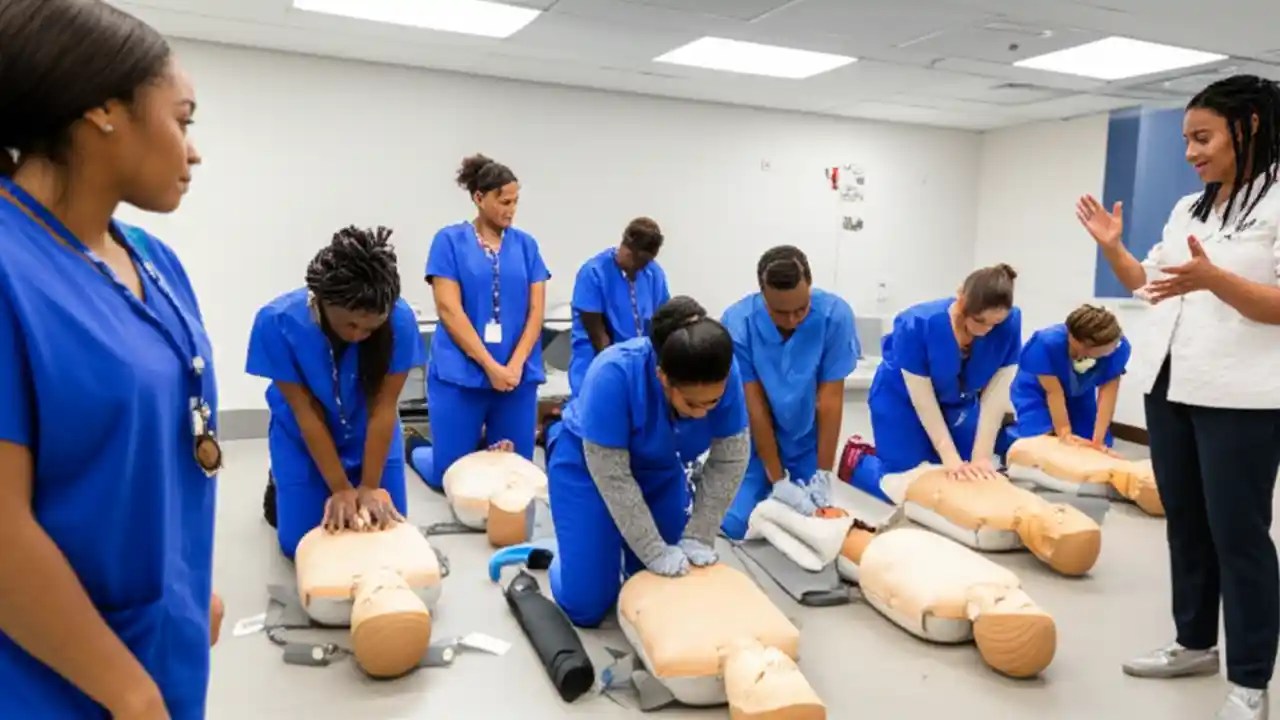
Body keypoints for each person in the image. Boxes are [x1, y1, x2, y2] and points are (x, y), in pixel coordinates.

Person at [0, 2, 221, 717]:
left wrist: (190, 585)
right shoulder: (10, 267)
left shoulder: (156, 262)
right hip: (59, 672)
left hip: (159, 639)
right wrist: (124, 689)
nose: (193, 151)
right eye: (182, 120)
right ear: (102, 109)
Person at [1081, 74, 1280, 720]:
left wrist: (1215, 278)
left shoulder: (1277, 202)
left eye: (1202, 137)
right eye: (1186, 140)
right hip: (1169, 383)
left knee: (1238, 536)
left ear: (1247, 128)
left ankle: (1251, 681)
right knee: (1186, 528)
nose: (1190, 152)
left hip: (1241, 397)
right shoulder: (1189, 209)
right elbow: (1152, 285)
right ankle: (1195, 641)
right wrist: (1115, 252)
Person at [546, 296, 750, 627]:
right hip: (587, 470)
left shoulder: (722, 369)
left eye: (712, 402)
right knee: (588, 604)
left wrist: (700, 533)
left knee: (665, 586)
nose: (703, 412)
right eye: (692, 404)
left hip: (659, 472)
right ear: (663, 378)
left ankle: (601, 548)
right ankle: (568, 555)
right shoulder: (612, 374)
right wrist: (652, 549)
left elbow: (731, 458)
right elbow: (613, 477)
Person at [247, 226, 425, 559]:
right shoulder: (277, 322)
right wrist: (342, 489)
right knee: (300, 543)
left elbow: (384, 407)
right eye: (350, 325)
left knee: (384, 527)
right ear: (322, 302)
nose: (359, 335)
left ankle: (354, 483)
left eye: (370, 328)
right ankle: (282, 486)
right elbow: (305, 413)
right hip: (303, 435)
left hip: (369, 431)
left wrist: (370, 487)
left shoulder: (400, 320)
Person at [421, 154, 549, 491]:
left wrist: (514, 365)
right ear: (479, 198)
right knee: (450, 479)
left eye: (515, 201)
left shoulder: (526, 246)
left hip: (515, 377)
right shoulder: (449, 241)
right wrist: (491, 366)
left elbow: (536, 311)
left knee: (515, 477)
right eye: (504, 201)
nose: (511, 209)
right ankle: (418, 451)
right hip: (462, 374)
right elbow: (449, 310)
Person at [718, 246, 859, 539]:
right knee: (734, 525)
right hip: (754, 446)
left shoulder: (834, 316)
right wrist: (778, 479)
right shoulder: (738, 323)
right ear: (763, 297)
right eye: (781, 313)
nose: (793, 319)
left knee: (816, 526)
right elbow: (754, 407)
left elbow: (829, 401)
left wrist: (823, 472)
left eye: (801, 309)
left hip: (806, 442)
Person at [849, 264, 1022, 501]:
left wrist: (982, 457)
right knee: (906, 482)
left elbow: (996, 394)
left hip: (956, 401)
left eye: (995, 324)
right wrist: (949, 457)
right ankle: (856, 460)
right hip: (902, 399)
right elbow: (924, 400)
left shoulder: (1009, 324)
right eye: (980, 321)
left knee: (964, 477)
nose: (986, 330)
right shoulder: (917, 324)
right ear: (962, 301)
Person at [567, 216, 670, 395]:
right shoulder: (593, 274)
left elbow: (663, 322)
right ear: (629, 251)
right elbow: (599, 337)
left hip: (642, 370)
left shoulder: (652, 272)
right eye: (641, 263)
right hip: (599, 366)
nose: (641, 270)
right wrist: (618, 376)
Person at [1009, 304, 1130, 450]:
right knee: (1044, 441)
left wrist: (1098, 440)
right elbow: (1054, 393)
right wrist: (1064, 433)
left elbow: (1108, 394)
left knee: (1090, 442)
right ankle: (1006, 441)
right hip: (1037, 390)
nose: (1115, 347)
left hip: (1079, 390)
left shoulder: (1119, 347)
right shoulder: (1046, 343)